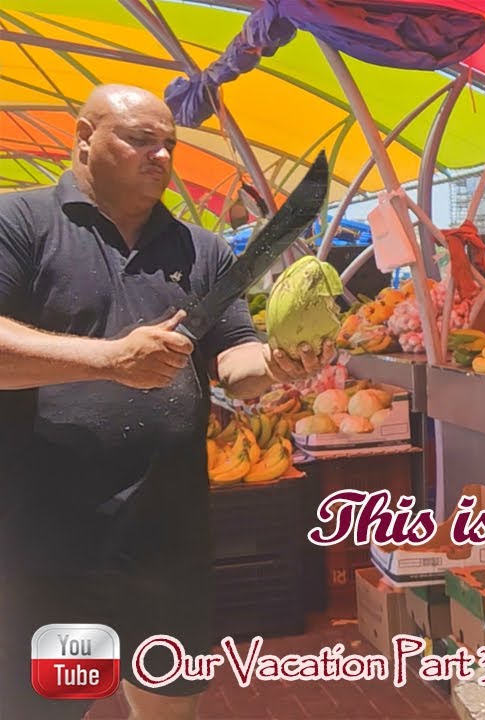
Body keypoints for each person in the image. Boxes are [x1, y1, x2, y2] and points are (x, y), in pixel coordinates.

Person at [0, 84, 334, 719]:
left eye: (169, 145)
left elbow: (233, 364)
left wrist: (277, 363)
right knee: (51, 705)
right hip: (51, 537)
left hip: (167, 535)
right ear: (83, 137)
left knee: (169, 706)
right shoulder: (20, 223)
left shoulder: (202, 250)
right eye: (139, 139)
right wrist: (108, 359)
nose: (160, 156)